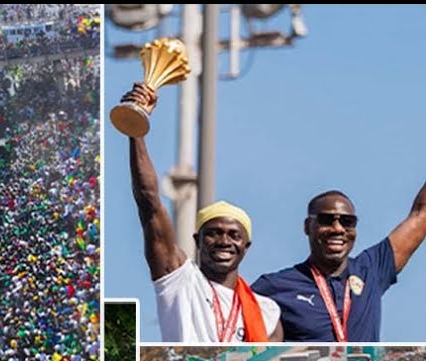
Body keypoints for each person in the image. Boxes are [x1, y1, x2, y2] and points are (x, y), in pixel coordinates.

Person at [121, 82, 281, 343]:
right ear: (197, 240)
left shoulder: (267, 313)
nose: (224, 241)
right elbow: (149, 203)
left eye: (233, 235)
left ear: (246, 246)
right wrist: (135, 128)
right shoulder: (180, 281)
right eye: (214, 233)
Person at [253, 186, 426, 342]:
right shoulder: (275, 286)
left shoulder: (371, 270)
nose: (338, 228)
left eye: (347, 221)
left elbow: (421, 214)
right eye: (326, 220)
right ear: (307, 226)